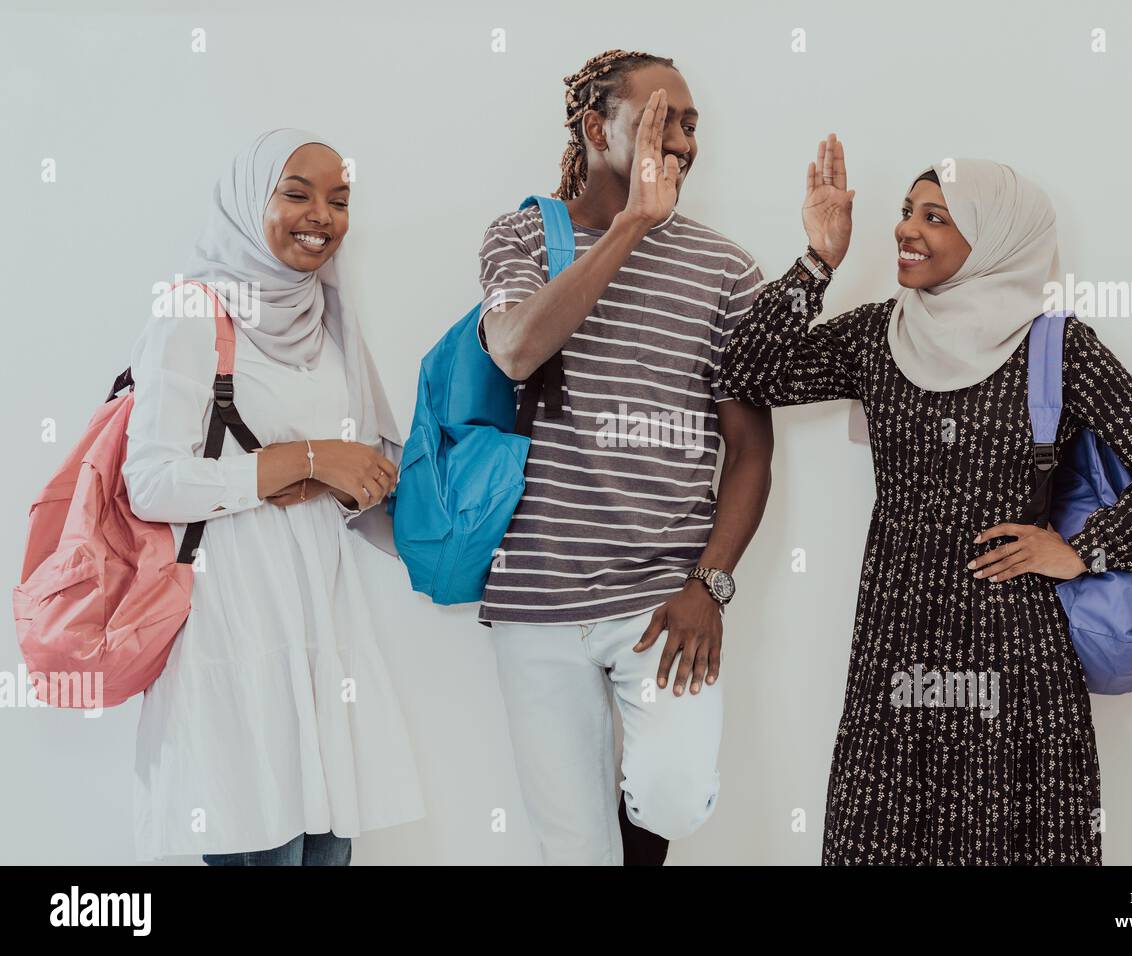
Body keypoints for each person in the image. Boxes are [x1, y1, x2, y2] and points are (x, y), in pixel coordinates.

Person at [721, 142, 1132, 864]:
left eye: (936, 217)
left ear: (995, 239)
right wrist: (818, 259)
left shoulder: (1055, 347)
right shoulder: (879, 335)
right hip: (898, 632)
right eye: (905, 213)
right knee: (884, 835)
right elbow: (750, 371)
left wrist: (1082, 551)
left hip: (1018, 643)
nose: (905, 230)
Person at [476, 50, 773, 865]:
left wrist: (710, 583)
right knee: (575, 851)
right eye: (659, 119)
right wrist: (632, 225)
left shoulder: (727, 271)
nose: (680, 140)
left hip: (662, 599)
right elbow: (514, 351)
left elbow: (749, 450)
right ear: (594, 125)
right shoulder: (521, 237)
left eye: (691, 124)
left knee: (674, 795)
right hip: (538, 596)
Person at [123, 128, 425, 865]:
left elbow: (352, 473)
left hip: (320, 621)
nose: (321, 214)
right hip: (231, 624)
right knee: (258, 842)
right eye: (296, 193)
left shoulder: (326, 318)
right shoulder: (193, 312)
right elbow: (151, 481)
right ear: (246, 201)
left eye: (339, 200)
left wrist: (325, 477)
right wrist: (302, 459)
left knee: (326, 852)